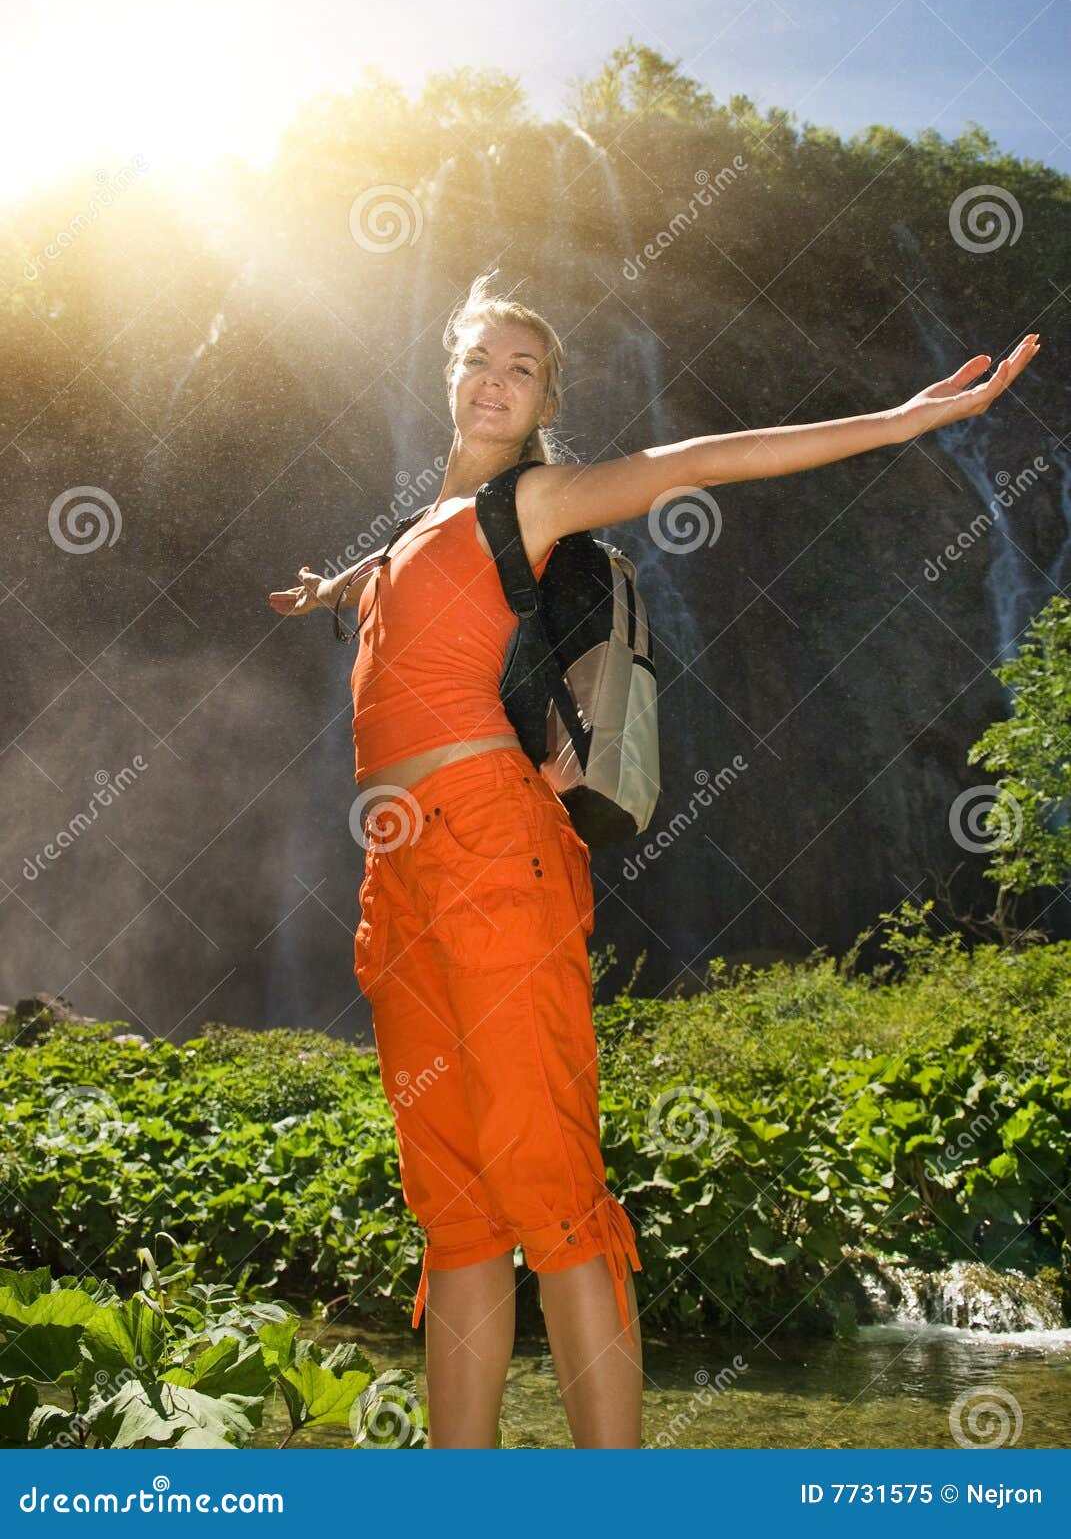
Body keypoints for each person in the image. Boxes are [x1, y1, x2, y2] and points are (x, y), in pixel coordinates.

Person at [270, 272, 1040, 1448]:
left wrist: (901, 420)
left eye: (522, 368)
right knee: (459, 1215)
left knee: (553, 1190)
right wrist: (336, 585)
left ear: (543, 400)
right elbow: (403, 592)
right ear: (448, 372)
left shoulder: (533, 500)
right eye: (481, 358)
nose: (496, 380)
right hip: (398, 879)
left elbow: (706, 459)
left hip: (491, 846)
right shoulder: (399, 541)